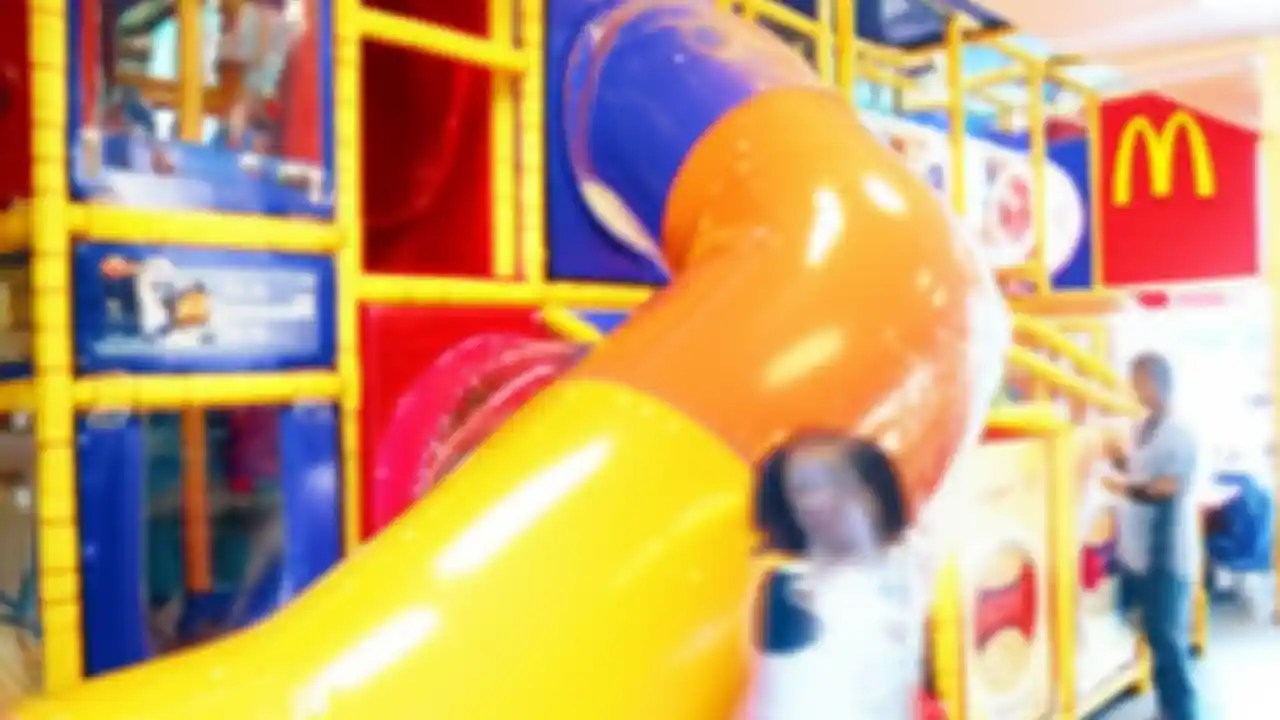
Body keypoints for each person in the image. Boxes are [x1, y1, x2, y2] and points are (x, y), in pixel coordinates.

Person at [741, 431, 932, 720]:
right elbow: (776, 690)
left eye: (840, 482)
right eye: (807, 489)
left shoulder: (908, 566)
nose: (829, 499)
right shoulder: (792, 586)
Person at [1103, 352, 1200, 720]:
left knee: (1167, 638)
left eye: (1139, 381)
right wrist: (1117, 460)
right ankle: (1168, 708)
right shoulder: (1141, 427)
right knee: (1150, 631)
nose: (1134, 388)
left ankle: (1181, 711)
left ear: (1158, 382)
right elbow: (1140, 469)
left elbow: (1167, 487)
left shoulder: (1180, 432)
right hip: (1138, 553)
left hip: (1167, 554)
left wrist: (1124, 489)